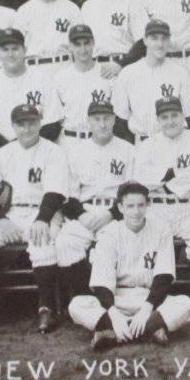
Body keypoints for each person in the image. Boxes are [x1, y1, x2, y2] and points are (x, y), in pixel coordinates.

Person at [0, 103, 70, 334]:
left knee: (42, 240)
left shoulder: (53, 151)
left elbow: (55, 192)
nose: (27, 128)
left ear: (40, 123)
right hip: (10, 213)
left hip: (44, 211)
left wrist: (42, 219)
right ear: (13, 126)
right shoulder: (3, 153)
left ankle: (47, 307)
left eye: (32, 122)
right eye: (21, 124)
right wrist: (2, 221)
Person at [68, 181, 190, 350]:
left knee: (186, 304)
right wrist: (114, 315)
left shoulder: (161, 230)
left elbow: (164, 275)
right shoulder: (109, 233)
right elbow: (101, 281)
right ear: (120, 208)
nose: (136, 212)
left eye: (141, 205)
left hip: (149, 299)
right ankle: (151, 329)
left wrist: (146, 310)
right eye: (130, 206)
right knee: (76, 305)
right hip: (117, 298)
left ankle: (112, 332)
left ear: (148, 205)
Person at [132, 96, 190, 318]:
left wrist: (162, 179)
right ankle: (155, 297)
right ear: (158, 120)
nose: (170, 121)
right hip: (158, 207)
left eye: (174, 115)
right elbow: (140, 178)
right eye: (164, 117)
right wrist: (171, 175)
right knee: (148, 244)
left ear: (183, 116)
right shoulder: (147, 145)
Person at [54, 100, 136, 303]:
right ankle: (84, 298)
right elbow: (69, 194)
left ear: (114, 120)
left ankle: (109, 299)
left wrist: (111, 214)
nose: (102, 124)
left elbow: (133, 191)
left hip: (117, 213)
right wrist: (82, 216)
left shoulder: (128, 150)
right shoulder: (75, 151)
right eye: (97, 119)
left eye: (106, 118)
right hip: (85, 212)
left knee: (108, 248)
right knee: (65, 243)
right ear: (88, 121)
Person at [0, 28, 62, 149]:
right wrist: (10, 150)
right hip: (1, 150)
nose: (10, 54)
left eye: (15, 49)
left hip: (40, 150)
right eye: (5, 49)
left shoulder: (43, 79)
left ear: (25, 50)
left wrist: (27, 146)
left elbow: (54, 124)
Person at [112, 19, 190, 144]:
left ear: (169, 41)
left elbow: (189, 116)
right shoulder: (128, 73)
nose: (160, 44)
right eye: (154, 38)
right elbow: (120, 120)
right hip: (141, 142)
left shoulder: (180, 73)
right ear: (145, 40)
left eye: (164, 39)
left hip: (173, 142)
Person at [79, 0, 149, 79]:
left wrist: (121, 64)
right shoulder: (87, 6)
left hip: (125, 66)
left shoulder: (132, 3)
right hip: (96, 67)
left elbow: (143, 41)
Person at [51, 24, 116, 155]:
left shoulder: (106, 74)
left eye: (87, 43)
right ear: (70, 46)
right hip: (70, 141)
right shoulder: (60, 78)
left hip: (100, 141)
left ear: (93, 43)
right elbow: (55, 119)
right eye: (77, 44)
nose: (83, 49)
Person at [13, 0, 81, 79]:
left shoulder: (71, 8)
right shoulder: (24, 10)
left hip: (63, 67)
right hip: (33, 69)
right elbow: (16, 47)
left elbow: (80, 44)